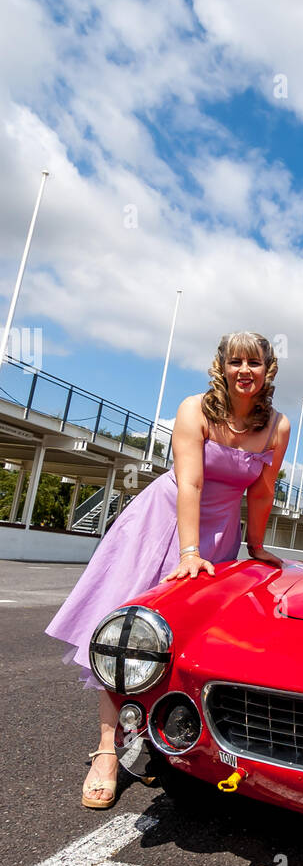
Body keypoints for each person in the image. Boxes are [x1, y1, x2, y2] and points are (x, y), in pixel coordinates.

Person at [45, 331, 290, 810]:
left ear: (268, 371)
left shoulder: (277, 426)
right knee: (131, 636)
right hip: (165, 525)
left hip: (219, 535)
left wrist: (256, 547)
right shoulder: (194, 409)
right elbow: (192, 483)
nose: (245, 370)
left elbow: (260, 493)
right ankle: (106, 753)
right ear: (221, 366)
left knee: (185, 642)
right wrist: (188, 551)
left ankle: (165, 736)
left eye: (255, 363)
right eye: (235, 361)